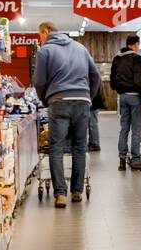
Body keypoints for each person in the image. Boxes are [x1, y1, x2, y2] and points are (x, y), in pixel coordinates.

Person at [32, 21, 101, 209]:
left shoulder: (45, 51)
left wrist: (46, 100)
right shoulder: (80, 47)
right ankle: (77, 191)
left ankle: (60, 194)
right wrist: (88, 96)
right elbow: (95, 75)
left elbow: (38, 81)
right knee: (80, 146)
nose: (40, 40)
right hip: (82, 101)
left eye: (40, 36)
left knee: (56, 148)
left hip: (59, 100)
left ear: (45, 32)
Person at [110, 34, 141, 171]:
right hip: (135, 97)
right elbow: (140, 81)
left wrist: (121, 90)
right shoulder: (137, 59)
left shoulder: (117, 59)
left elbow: (112, 81)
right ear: (136, 44)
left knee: (124, 128)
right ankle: (136, 160)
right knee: (136, 130)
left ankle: (122, 160)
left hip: (123, 97)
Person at [88, 70, 105, 152]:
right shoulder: (94, 74)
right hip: (94, 102)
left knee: (92, 124)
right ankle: (92, 142)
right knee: (92, 123)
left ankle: (95, 144)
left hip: (93, 102)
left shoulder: (93, 75)